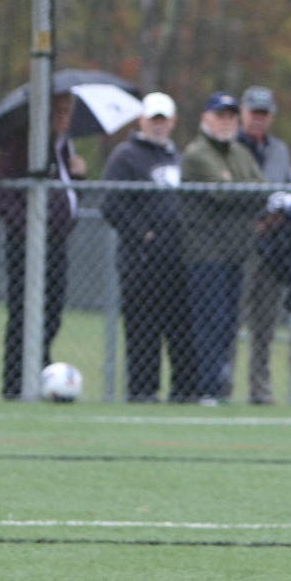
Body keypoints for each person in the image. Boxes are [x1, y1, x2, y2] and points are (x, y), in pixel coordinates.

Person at [100, 92, 193, 402]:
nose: (158, 125)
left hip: (178, 260)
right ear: (142, 120)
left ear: (173, 122)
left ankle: (185, 391)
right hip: (141, 262)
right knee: (143, 330)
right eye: (153, 119)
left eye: (163, 120)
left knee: (181, 329)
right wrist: (143, 233)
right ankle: (142, 391)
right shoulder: (125, 156)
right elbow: (111, 204)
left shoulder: (177, 157)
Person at [0, 92, 83, 399]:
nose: (63, 117)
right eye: (57, 110)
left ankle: (39, 374)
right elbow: (3, 193)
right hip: (27, 245)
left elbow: (67, 194)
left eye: (67, 111)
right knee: (23, 313)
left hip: (57, 243)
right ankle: (15, 385)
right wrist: (30, 230)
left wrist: (79, 177)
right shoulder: (23, 143)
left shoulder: (65, 146)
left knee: (52, 313)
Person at [180, 91, 266, 405]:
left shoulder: (240, 152)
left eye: (230, 116)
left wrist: (237, 185)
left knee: (229, 324)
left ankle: (220, 386)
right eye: (220, 116)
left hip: (235, 253)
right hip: (206, 253)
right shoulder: (197, 153)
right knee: (210, 321)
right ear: (206, 118)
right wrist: (238, 187)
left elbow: (261, 190)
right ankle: (207, 389)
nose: (226, 122)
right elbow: (224, 194)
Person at [235, 85, 291, 405]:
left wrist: (273, 218)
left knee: (264, 325)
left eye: (264, 114)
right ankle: (221, 385)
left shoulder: (279, 150)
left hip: (272, 248)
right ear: (242, 113)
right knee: (230, 319)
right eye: (253, 113)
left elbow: (289, 193)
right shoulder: (229, 147)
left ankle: (260, 389)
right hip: (235, 248)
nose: (258, 119)